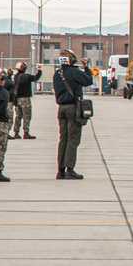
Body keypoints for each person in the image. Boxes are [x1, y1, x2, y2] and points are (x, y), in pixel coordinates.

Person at [52, 52, 94, 180]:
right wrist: (86, 67)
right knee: (73, 139)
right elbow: (88, 80)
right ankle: (70, 169)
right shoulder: (74, 72)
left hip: (61, 109)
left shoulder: (57, 74)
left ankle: (60, 170)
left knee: (63, 139)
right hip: (73, 108)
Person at [10, 60, 40, 140]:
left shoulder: (16, 76)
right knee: (27, 116)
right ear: (24, 68)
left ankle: (16, 133)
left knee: (18, 116)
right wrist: (39, 71)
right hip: (25, 99)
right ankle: (26, 133)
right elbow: (36, 77)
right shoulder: (27, 76)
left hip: (17, 99)